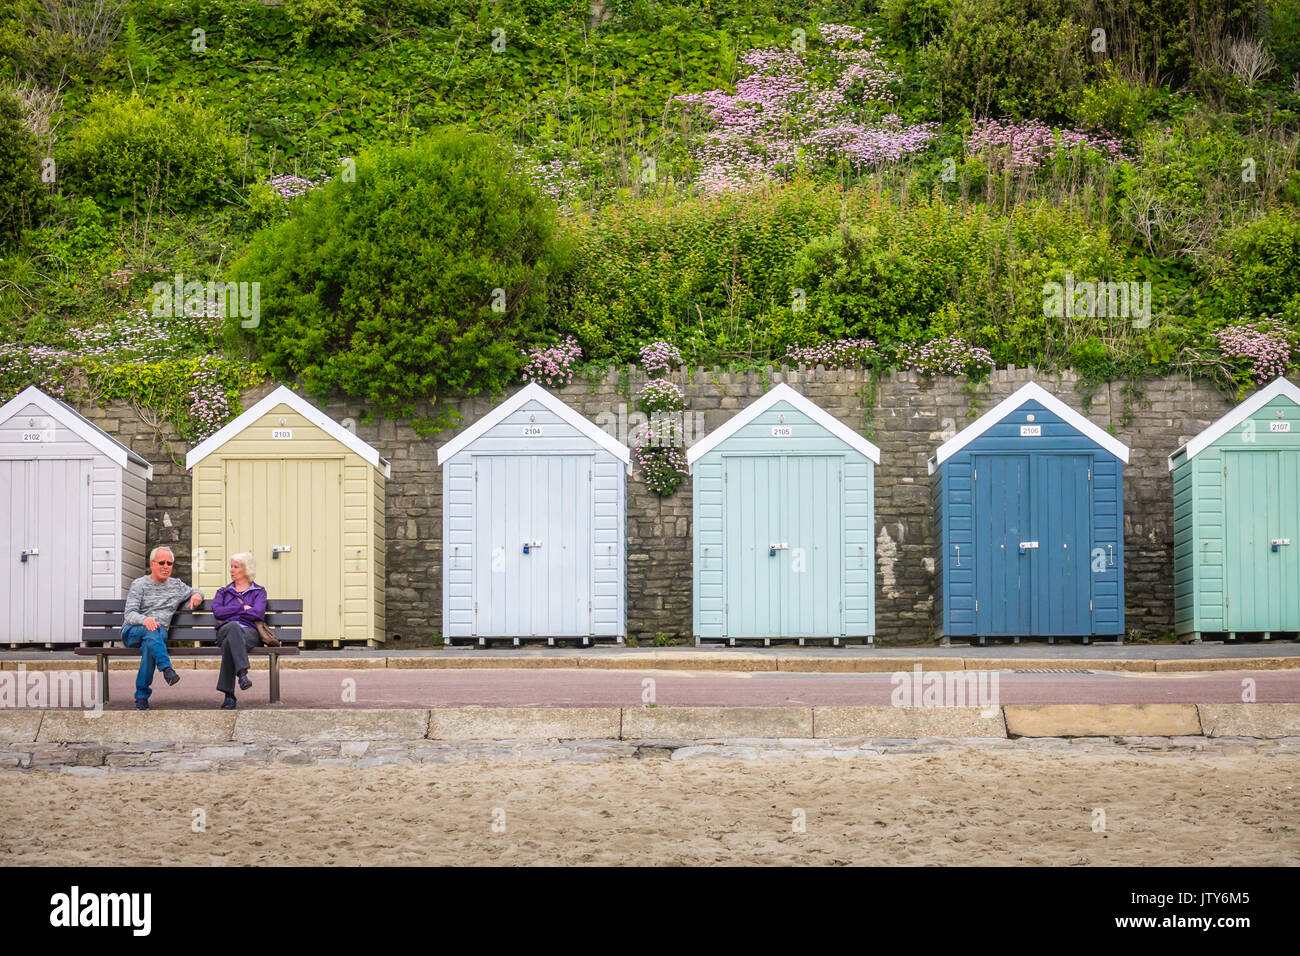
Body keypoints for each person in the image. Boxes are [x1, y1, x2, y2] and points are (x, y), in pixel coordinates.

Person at [122, 547, 203, 710]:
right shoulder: (140, 584)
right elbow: (129, 614)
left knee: (150, 644)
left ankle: (142, 697)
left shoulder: (176, 586)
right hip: (134, 631)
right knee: (151, 631)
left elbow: (196, 590)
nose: (166, 566)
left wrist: (197, 596)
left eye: (169, 563)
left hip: (157, 634)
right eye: (161, 563)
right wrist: (144, 620)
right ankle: (166, 668)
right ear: (152, 564)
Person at [211, 552, 267, 710]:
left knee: (231, 641)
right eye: (231, 567)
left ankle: (229, 696)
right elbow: (218, 612)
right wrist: (242, 607)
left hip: (249, 633)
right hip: (225, 630)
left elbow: (258, 613)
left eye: (236, 567)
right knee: (233, 628)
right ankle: (242, 673)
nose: (231, 570)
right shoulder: (223, 592)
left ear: (246, 569)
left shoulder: (259, 591)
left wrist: (230, 612)